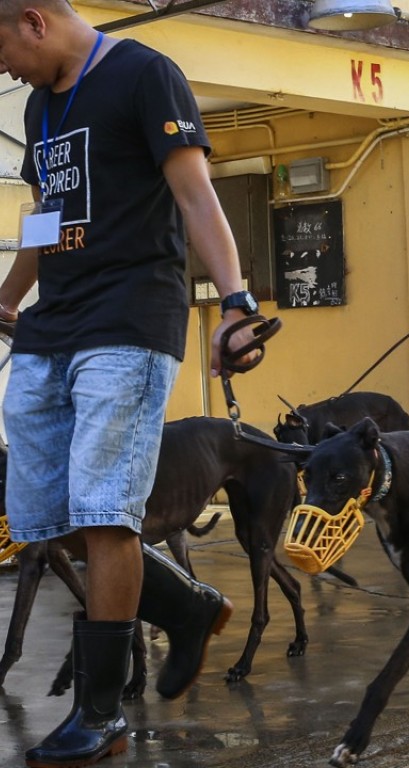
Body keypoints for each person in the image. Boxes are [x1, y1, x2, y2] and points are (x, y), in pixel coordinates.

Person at [0, 1, 265, 765]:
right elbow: (48, 215)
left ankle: (100, 712)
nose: (4, 66)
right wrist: (9, 296)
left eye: (3, 47)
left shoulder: (146, 76)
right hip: (54, 323)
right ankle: (186, 606)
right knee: (46, 516)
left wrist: (237, 304)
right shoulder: (40, 104)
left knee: (107, 511)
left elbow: (195, 196)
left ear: (34, 20)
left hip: (129, 319)